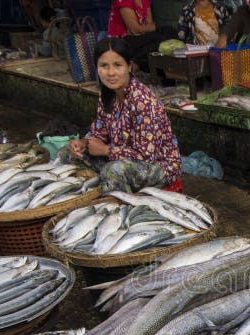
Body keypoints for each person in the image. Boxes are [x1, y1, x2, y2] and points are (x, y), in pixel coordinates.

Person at [66, 38, 182, 192]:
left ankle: (121, 211)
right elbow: (98, 131)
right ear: (97, 68)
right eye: (104, 66)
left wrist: (106, 150)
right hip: (122, 160)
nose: (111, 73)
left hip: (159, 166)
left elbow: (146, 156)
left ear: (129, 66)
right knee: (68, 155)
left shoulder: (142, 100)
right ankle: (91, 194)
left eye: (117, 65)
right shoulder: (107, 95)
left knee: (113, 171)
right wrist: (84, 143)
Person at [108, 0, 163, 71]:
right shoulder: (124, 1)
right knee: (159, 38)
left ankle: (140, 63)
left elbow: (149, 25)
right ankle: (136, 62)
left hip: (139, 38)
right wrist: (155, 27)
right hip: (121, 40)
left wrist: (147, 29)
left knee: (168, 31)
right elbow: (135, 30)